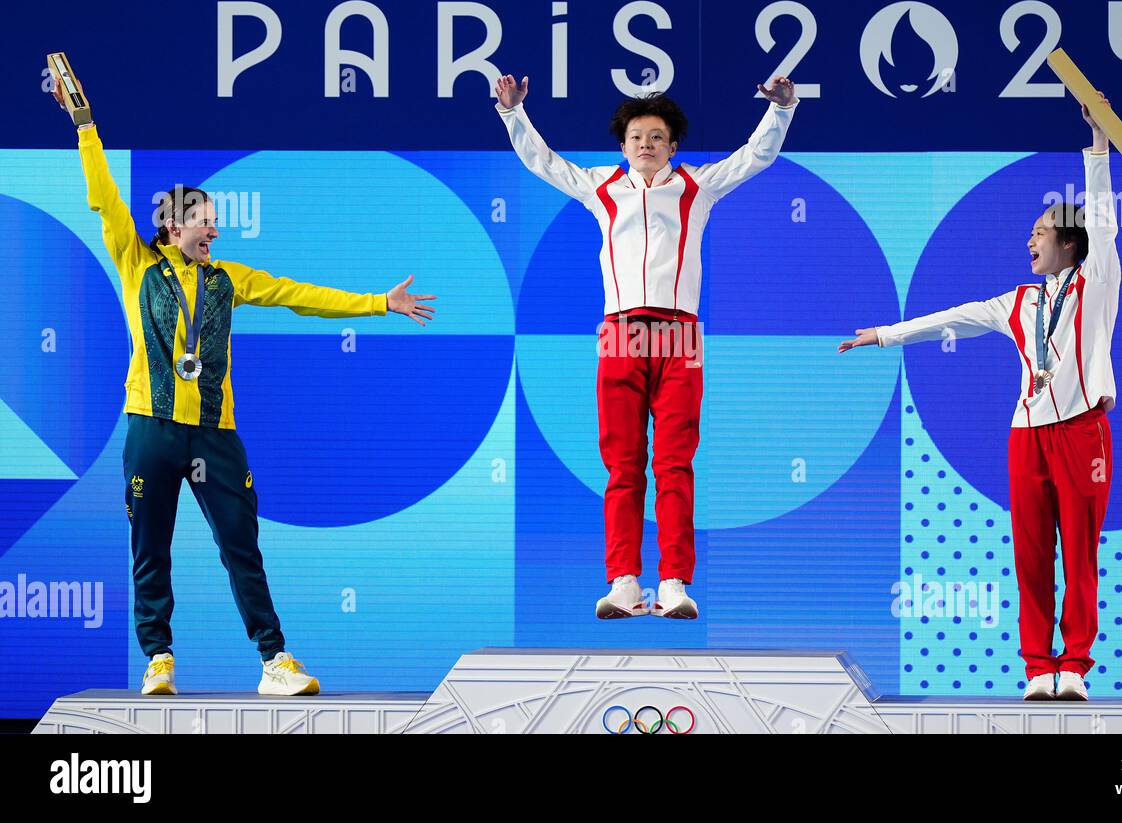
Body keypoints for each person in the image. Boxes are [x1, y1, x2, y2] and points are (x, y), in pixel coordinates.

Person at [52, 74, 436, 696]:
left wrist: (377, 304)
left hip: (214, 436)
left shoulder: (228, 277)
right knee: (150, 548)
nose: (215, 231)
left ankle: (274, 661)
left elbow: (297, 296)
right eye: (205, 222)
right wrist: (86, 127)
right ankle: (159, 660)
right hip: (150, 427)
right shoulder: (137, 262)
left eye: (217, 223)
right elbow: (103, 199)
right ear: (173, 227)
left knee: (242, 548)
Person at [840, 96, 1120, 701]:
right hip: (1027, 436)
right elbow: (955, 317)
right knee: (1030, 556)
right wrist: (885, 334)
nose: (1030, 242)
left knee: (1079, 553)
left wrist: (1096, 149)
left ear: (1071, 245)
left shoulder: (1098, 284)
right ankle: (1038, 669)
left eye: (1040, 233)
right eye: (1030, 234)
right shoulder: (1019, 301)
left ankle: (1074, 666)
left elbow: (1102, 220)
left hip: (1081, 431)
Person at [494, 74, 798, 620]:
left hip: (680, 336)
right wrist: (514, 114)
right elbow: (542, 161)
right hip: (619, 334)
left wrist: (782, 109)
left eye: (656, 137)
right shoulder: (600, 187)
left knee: (676, 464)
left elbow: (757, 156)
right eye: (636, 137)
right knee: (623, 466)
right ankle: (625, 581)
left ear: (673, 146)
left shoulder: (698, 187)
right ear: (623, 145)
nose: (645, 145)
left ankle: (675, 582)